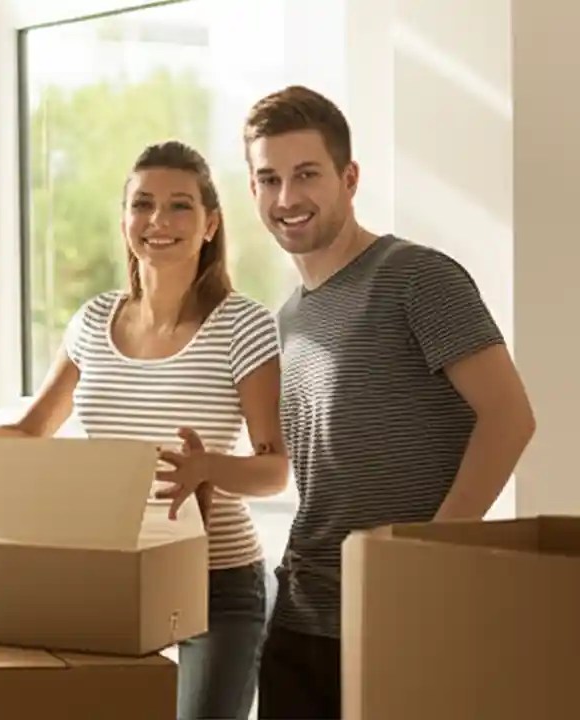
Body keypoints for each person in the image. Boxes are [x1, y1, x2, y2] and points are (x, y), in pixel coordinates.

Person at [0, 140, 290, 720]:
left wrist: (208, 467)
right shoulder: (93, 321)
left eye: (180, 206)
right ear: (124, 220)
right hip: (111, 575)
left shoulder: (244, 325)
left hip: (215, 580)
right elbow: (32, 429)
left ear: (211, 224)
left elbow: (274, 469)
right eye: (143, 204)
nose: (159, 220)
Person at [241, 85, 537, 719]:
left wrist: (426, 558)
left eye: (306, 174)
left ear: (349, 178)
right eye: (269, 179)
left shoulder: (416, 278)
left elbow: (510, 418)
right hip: (301, 618)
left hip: (404, 614)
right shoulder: (290, 317)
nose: (286, 198)